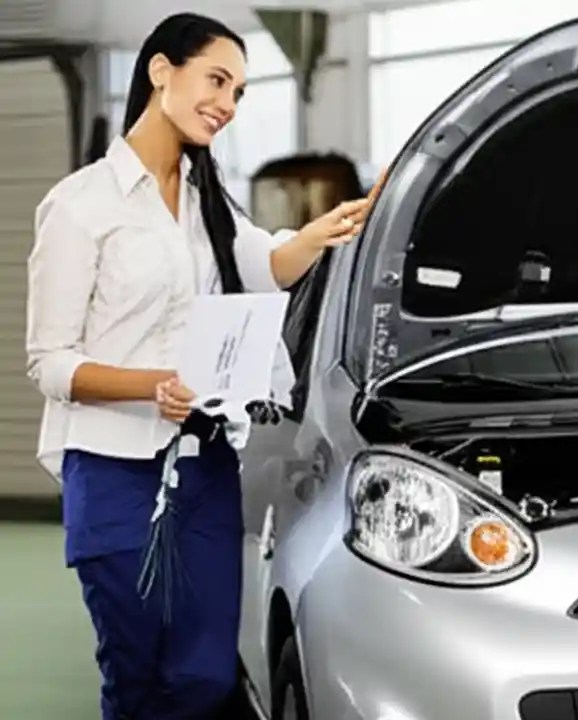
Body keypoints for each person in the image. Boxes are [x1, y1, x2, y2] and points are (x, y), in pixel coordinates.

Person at [25, 12, 384, 718]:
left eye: (239, 91)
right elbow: (51, 363)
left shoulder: (207, 201)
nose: (227, 103)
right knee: (137, 675)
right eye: (217, 80)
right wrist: (150, 386)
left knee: (208, 675)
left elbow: (268, 265)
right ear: (162, 71)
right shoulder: (79, 206)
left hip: (204, 470)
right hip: (113, 473)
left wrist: (325, 231)